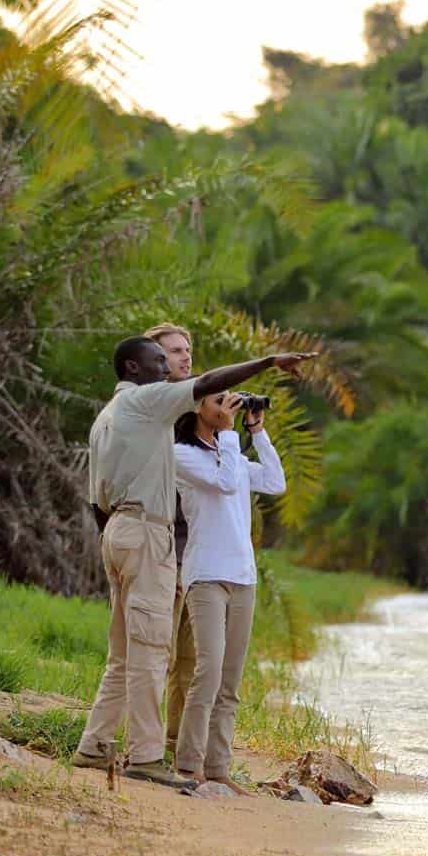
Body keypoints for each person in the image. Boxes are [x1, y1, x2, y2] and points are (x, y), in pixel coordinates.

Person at [73, 335, 315, 786]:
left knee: (124, 653)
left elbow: (95, 497)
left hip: (119, 528)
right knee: (150, 649)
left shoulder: (106, 417)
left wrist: (116, 536)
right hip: (144, 530)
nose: (168, 369)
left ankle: (94, 744)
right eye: (159, 361)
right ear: (132, 368)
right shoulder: (145, 403)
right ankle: (145, 758)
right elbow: (207, 382)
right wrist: (267, 361)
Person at [172, 390, 285, 792]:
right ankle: (188, 764)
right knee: (209, 670)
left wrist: (257, 431)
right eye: (219, 400)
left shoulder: (234, 456)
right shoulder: (182, 455)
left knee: (231, 681)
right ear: (197, 407)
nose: (228, 407)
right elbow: (221, 483)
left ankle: (218, 768)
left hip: (243, 576)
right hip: (205, 575)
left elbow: (275, 482)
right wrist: (229, 433)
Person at [141, 322, 197, 766]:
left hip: (197, 552)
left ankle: (179, 748)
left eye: (187, 349)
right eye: (175, 351)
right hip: (160, 547)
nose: (185, 357)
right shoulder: (147, 411)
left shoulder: (199, 413)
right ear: (155, 361)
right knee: (157, 655)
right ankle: (145, 747)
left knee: (190, 661)